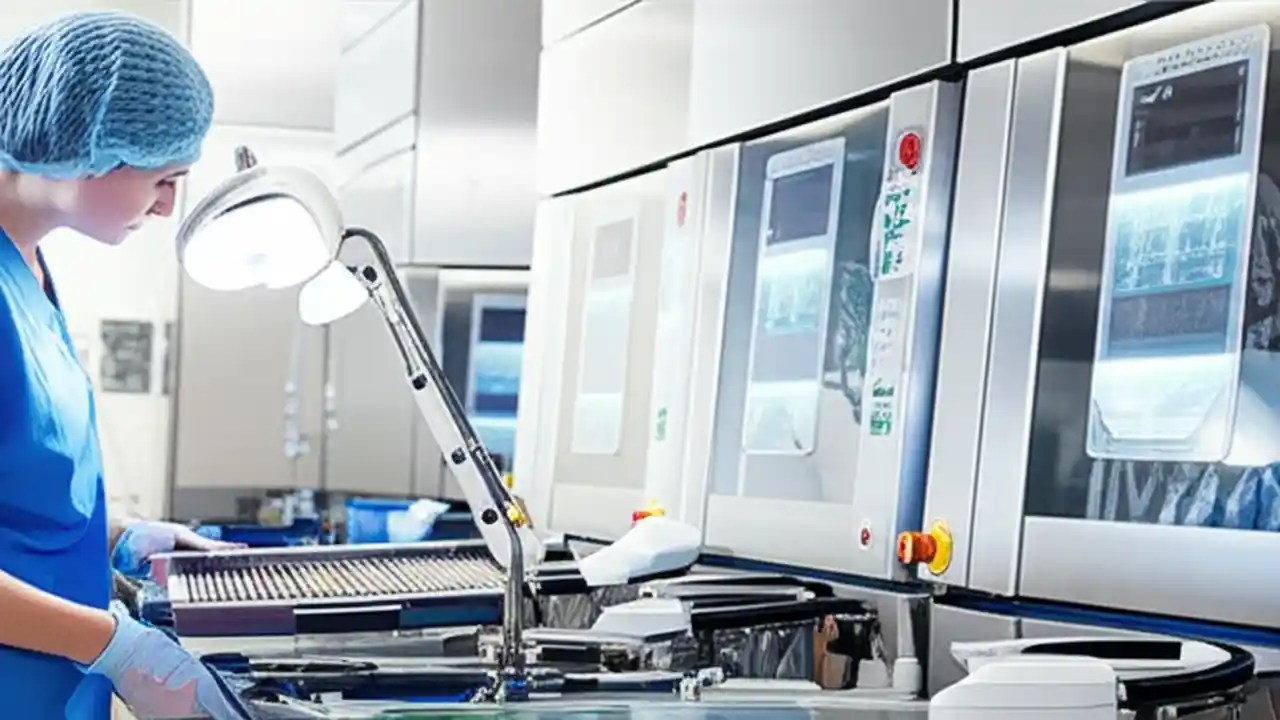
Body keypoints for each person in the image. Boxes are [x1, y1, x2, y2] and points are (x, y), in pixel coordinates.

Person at [0, 11, 243, 720]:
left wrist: (118, 534)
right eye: (165, 177)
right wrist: (119, 646)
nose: (168, 206)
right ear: (89, 147)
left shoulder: (31, 271)